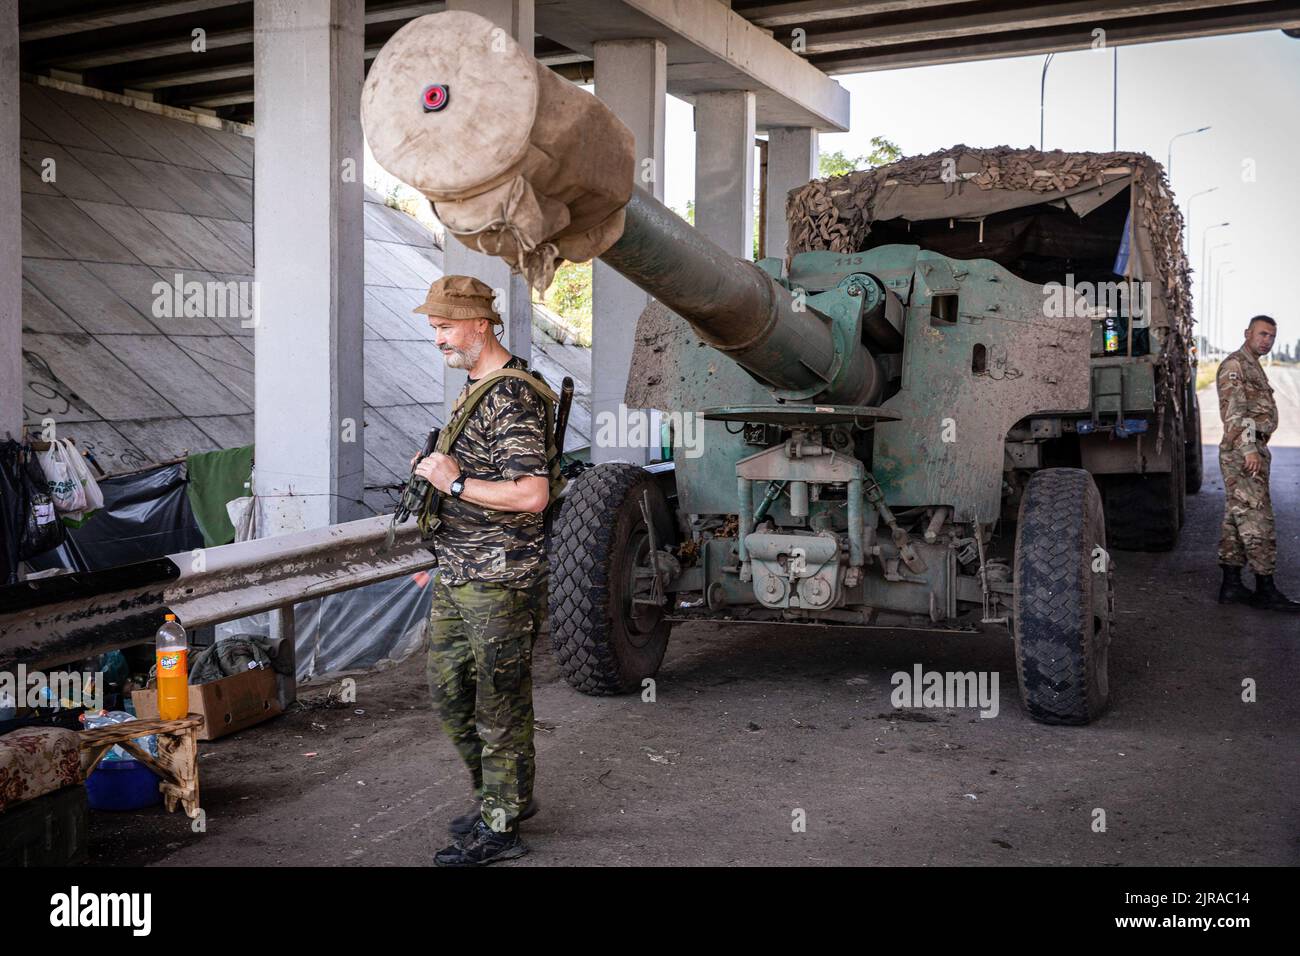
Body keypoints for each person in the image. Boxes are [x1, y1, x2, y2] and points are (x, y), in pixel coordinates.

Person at [411, 275, 553, 865]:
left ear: (480, 323)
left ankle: (501, 827)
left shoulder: (510, 396)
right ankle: (505, 795)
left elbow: (532, 494)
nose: (438, 337)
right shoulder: (476, 387)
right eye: (434, 327)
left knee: (499, 703)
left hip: (501, 578)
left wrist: (455, 481)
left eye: (445, 327)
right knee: (449, 694)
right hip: (461, 571)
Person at [1215, 314, 1299, 611]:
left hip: (1251, 448)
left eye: (1272, 336)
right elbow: (1236, 414)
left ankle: (1231, 586)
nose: (1267, 340)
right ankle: (1266, 588)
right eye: (1262, 334)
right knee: (1258, 518)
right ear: (1247, 333)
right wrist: (1249, 448)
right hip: (1243, 450)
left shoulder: (1253, 365)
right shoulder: (1236, 365)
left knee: (1236, 518)